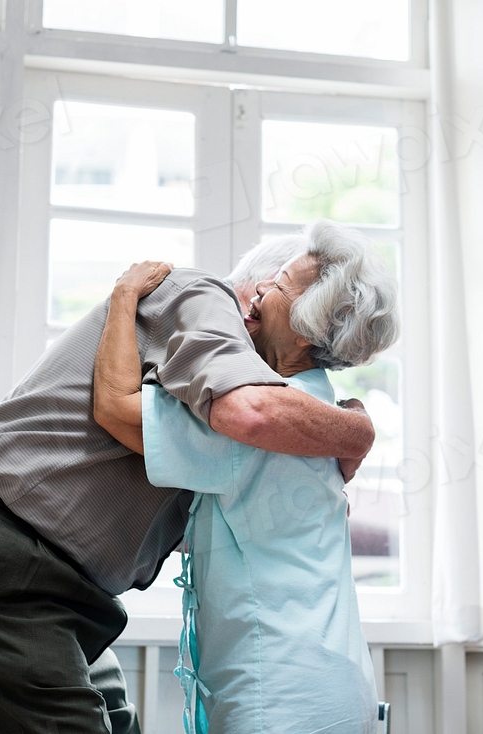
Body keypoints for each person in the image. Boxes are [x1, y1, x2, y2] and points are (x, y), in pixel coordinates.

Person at [0, 225, 378, 734]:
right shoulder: (205, 297)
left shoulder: (271, 411)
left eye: (278, 288)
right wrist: (356, 431)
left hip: (58, 582)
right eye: (269, 284)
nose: (260, 297)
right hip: (6, 558)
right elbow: (230, 412)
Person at [93, 219, 400, 734]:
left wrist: (124, 298)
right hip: (314, 685)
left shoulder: (264, 423)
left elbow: (113, 408)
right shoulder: (317, 410)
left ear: (307, 321)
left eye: (277, 284)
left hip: (286, 696)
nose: (256, 290)